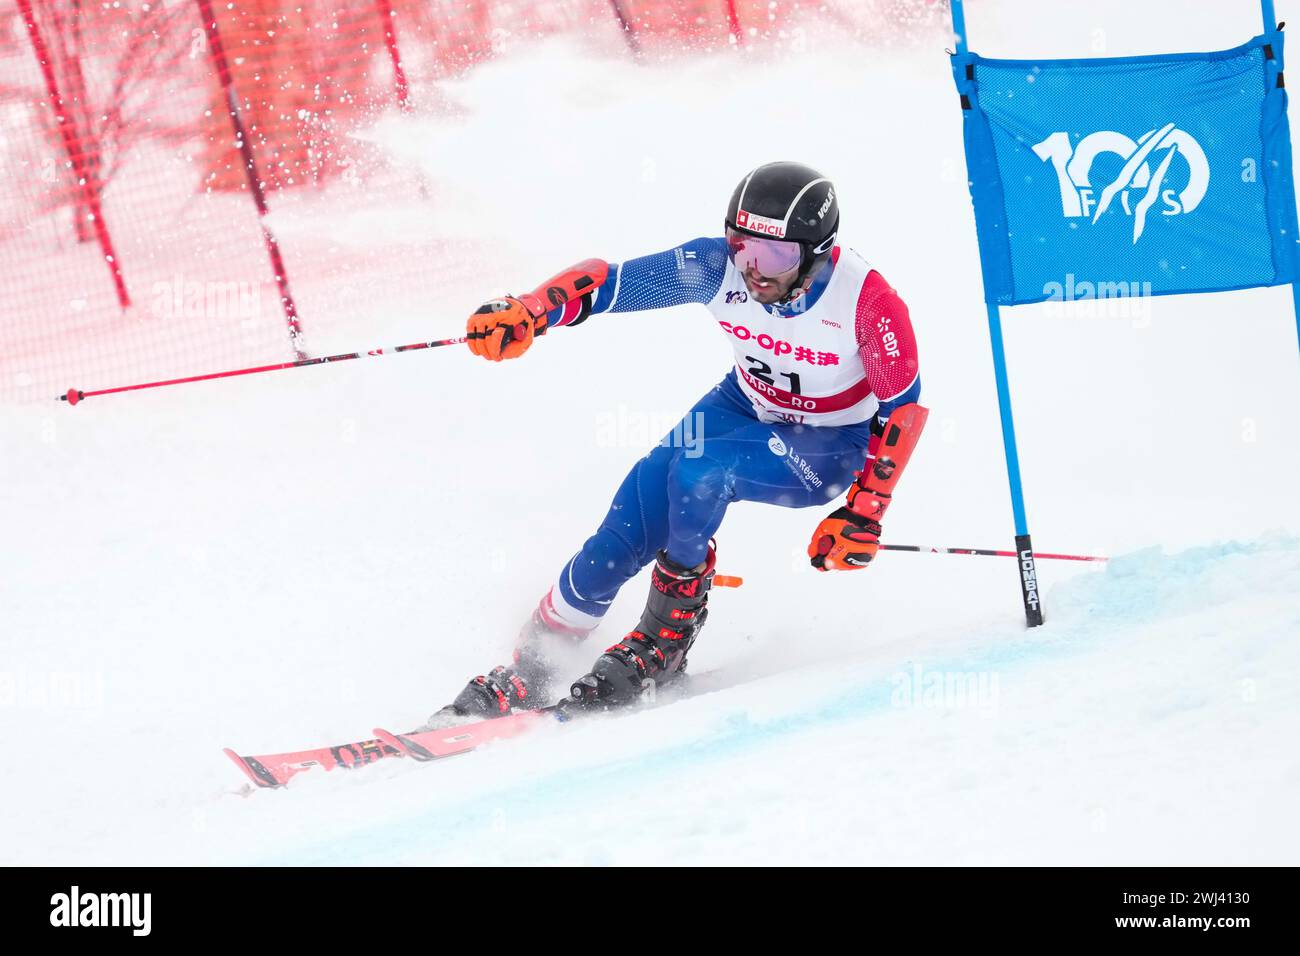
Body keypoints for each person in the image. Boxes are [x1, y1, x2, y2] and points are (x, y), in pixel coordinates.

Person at [427, 161, 926, 727]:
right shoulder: (718, 268)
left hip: (829, 443)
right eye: (742, 246)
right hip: (743, 404)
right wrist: (532, 309)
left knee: (700, 470)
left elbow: (902, 412)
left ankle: (666, 639)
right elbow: (612, 283)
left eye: (776, 256)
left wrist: (864, 512)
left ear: (817, 251)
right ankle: (536, 663)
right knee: (628, 522)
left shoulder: (868, 301)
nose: (754, 271)